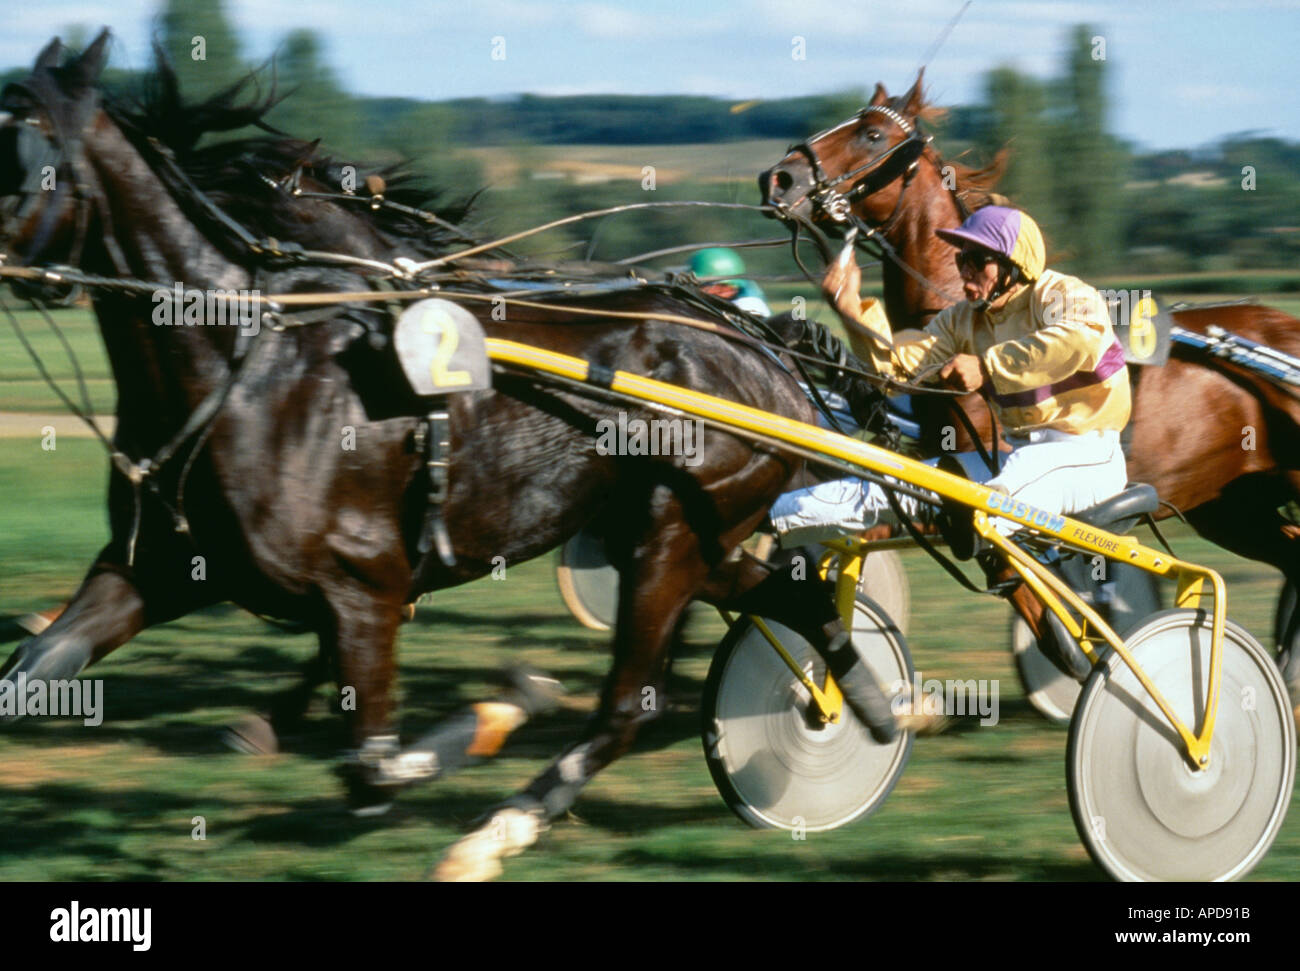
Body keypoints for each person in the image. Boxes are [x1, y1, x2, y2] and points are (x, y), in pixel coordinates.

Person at [771, 204, 1131, 561]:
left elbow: (1080, 339)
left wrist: (988, 368)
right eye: (962, 260)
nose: (965, 271)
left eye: (978, 260)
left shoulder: (1062, 294)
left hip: (1088, 458)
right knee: (888, 487)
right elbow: (899, 370)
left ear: (1014, 264)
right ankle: (766, 515)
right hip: (1015, 458)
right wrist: (852, 311)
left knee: (990, 501)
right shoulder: (963, 319)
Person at [689, 247, 772, 318]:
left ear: (725, 287)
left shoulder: (750, 306)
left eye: (701, 284)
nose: (696, 289)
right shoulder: (736, 285)